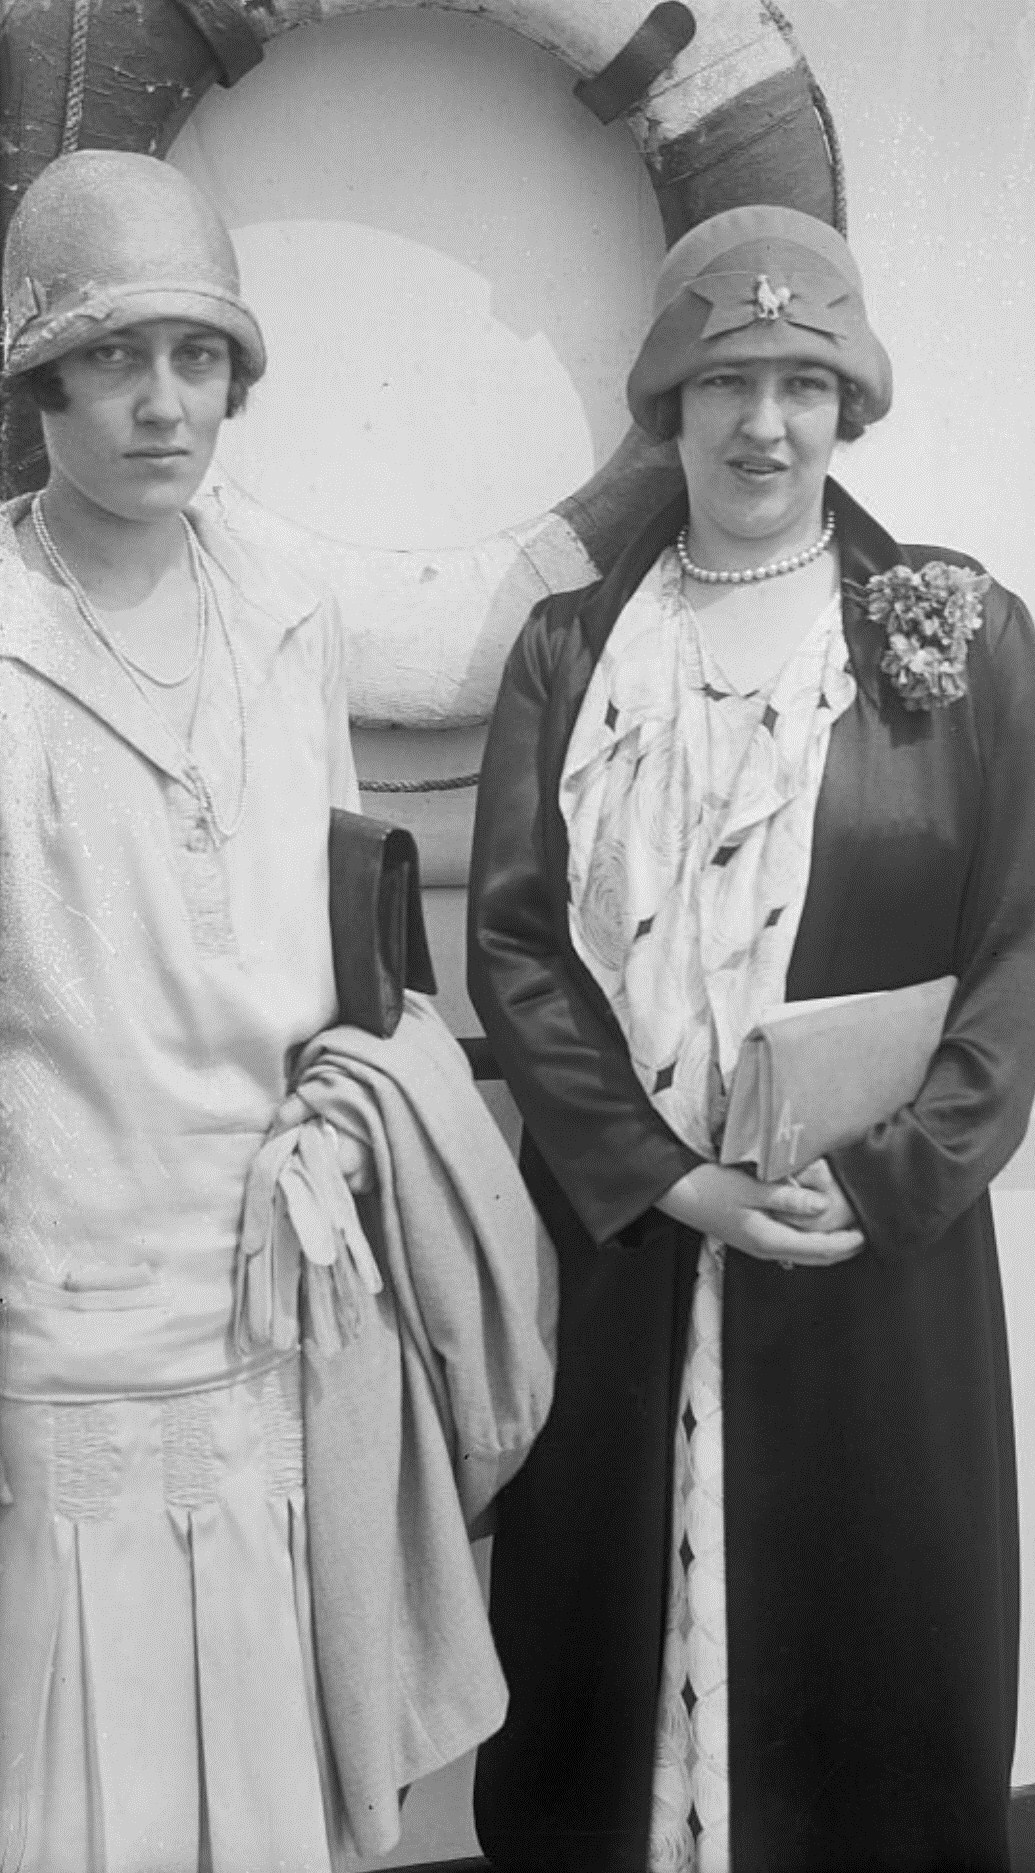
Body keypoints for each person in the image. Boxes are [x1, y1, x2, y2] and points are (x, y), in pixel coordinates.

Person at [467, 204, 1035, 1872]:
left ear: (848, 404)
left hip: (871, 1267)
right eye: (727, 379)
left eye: (804, 381)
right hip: (627, 1259)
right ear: (669, 404)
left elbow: (1018, 953)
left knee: (878, 1678)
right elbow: (515, 943)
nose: (765, 423)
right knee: (595, 1678)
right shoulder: (573, 653)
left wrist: (883, 1182)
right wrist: (666, 1177)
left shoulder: (963, 637)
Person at [0, 150, 366, 1872]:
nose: (163, 403)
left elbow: (349, 947)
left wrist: (333, 1139)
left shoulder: (289, 610)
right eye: (116, 356)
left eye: (197, 358)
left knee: (253, 1758)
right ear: (41, 377)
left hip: (270, 1291)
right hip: (60, 1297)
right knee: (88, 1764)